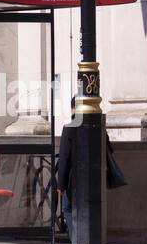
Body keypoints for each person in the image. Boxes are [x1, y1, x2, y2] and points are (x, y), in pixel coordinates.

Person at [55, 97, 128, 236]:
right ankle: (91, 237)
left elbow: (64, 159)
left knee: (67, 208)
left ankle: (77, 239)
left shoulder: (69, 128)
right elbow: (109, 150)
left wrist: (61, 185)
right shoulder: (99, 129)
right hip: (95, 178)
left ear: (73, 109)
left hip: (74, 180)